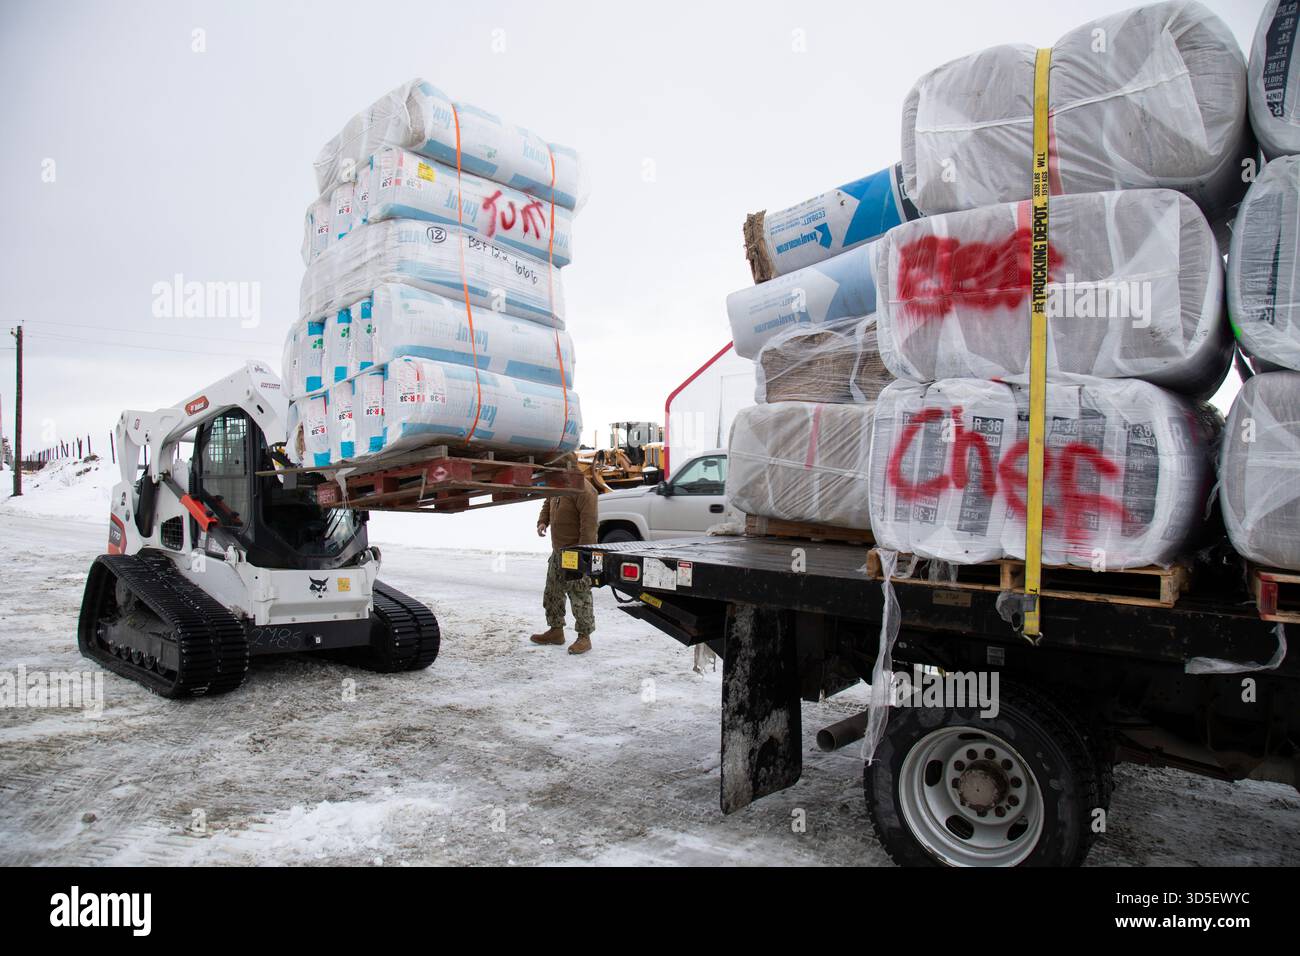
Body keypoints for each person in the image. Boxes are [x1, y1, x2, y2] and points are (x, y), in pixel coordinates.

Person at [531, 456, 599, 654]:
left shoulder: (584, 490)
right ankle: (556, 630)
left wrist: (583, 555)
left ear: (569, 467)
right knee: (552, 592)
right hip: (557, 551)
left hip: (574, 552)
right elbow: (548, 501)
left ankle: (584, 637)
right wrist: (543, 521)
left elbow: (589, 526)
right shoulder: (559, 485)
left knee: (579, 594)